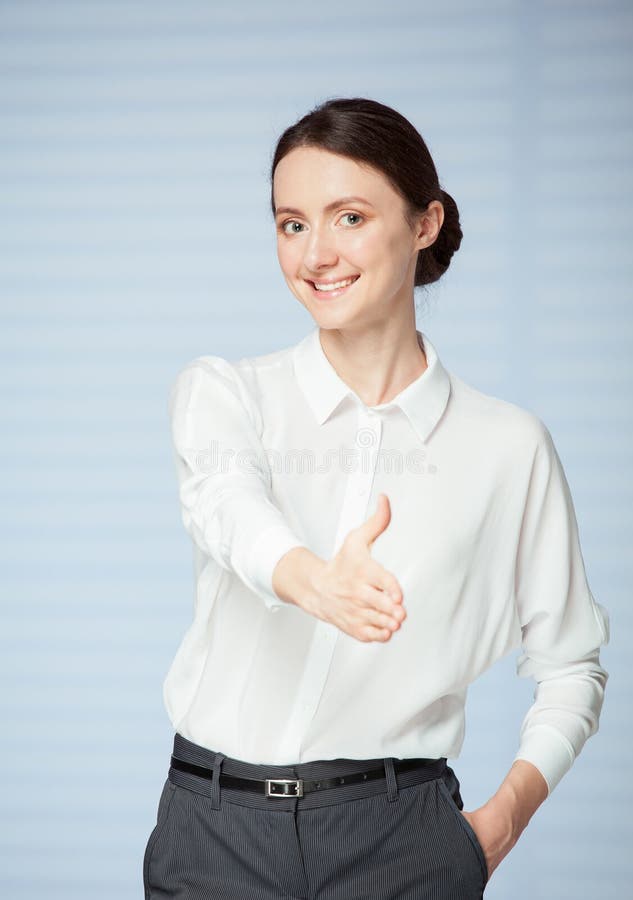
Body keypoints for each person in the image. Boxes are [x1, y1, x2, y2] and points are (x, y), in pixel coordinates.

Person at [142, 97, 610, 899]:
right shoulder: (225, 393)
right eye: (292, 224)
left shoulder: (507, 446)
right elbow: (226, 505)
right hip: (214, 832)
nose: (315, 254)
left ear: (424, 223)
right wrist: (309, 579)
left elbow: (571, 664)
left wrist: (503, 819)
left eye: (348, 217)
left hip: (400, 838)